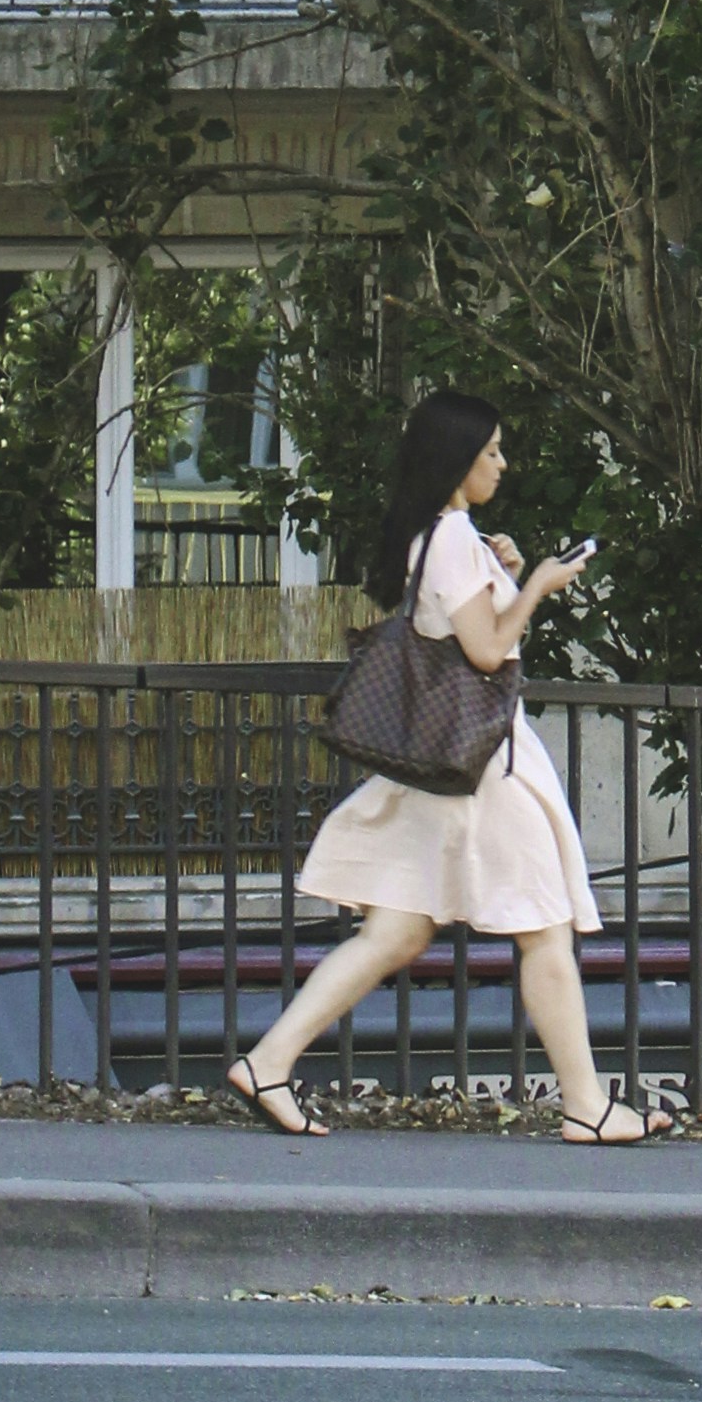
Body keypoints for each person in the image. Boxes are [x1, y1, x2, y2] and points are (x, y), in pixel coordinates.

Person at [226, 389, 649, 1145]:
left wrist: (505, 570)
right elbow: (488, 652)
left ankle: (267, 1062)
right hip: (485, 766)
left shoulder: (447, 536)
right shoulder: (451, 536)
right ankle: (586, 1104)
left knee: (394, 934)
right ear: (457, 458)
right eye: (490, 451)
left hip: (444, 767)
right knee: (546, 928)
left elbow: (464, 626)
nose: (501, 463)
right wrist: (541, 587)